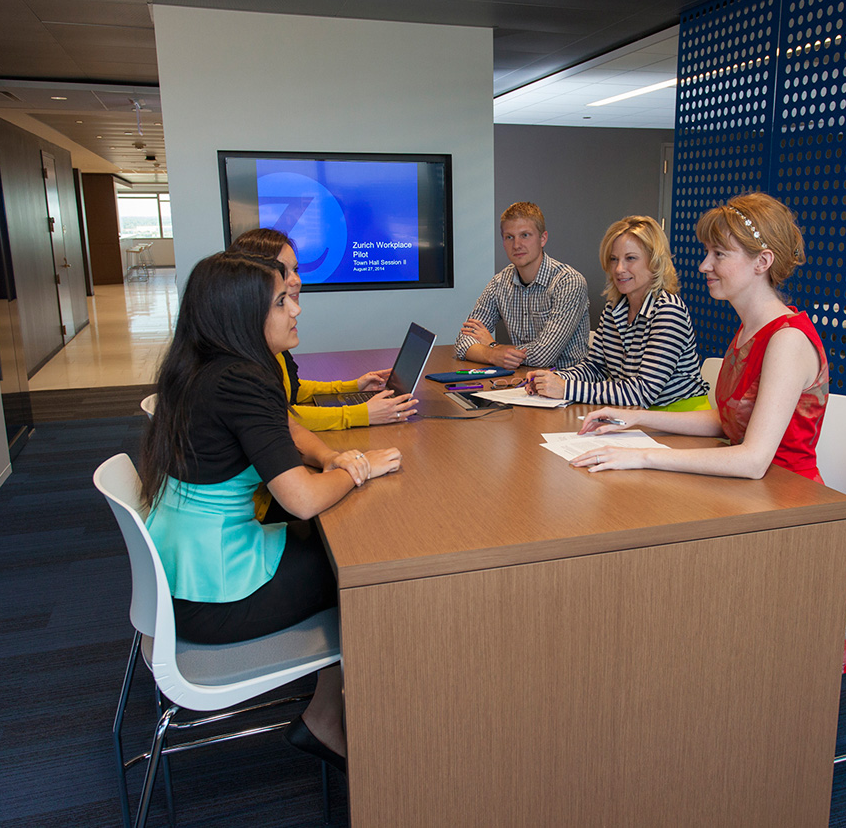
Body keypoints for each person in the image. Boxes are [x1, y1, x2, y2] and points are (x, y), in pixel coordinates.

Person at [573, 193, 846, 672]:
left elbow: (752, 457)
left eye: (720, 255)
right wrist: (637, 418)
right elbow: (728, 420)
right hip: (753, 494)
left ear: (762, 262)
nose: (704, 265)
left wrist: (643, 455)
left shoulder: (786, 340)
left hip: (790, 508)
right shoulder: (747, 332)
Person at [139, 251, 402, 772]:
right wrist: (357, 470)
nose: (296, 311)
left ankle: (327, 714)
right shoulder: (242, 381)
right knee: (362, 575)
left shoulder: (202, 368)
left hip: (179, 574)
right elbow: (300, 497)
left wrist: (331, 456)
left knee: (325, 542)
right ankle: (334, 724)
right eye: (283, 301)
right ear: (243, 314)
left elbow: (283, 429)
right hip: (213, 595)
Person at [231, 228, 418, 431]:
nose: (296, 280)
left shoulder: (267, 337)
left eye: (296, 270)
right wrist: (362, 413)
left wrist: (353, 386)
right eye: (283, 272)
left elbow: (292, 391)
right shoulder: (241, 359)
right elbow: (279, 418)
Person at [525, 215, 708, 409]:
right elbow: (596, 368)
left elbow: (642, 392)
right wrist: (553, 379)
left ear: (654, 262)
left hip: (679, 420)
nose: (619, 269)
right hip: (633, 414)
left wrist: (566, 388)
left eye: (630, 258)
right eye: (614, 259)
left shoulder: (668, 311)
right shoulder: (614, 309)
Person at [454, 201, 590, 370]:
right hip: (521, 383)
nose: (516, 245)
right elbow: (463, 342)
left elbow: (543, 356)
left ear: (543, 238)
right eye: (509, 237)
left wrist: (493, 346)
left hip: (566, 386)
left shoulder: (568, 282)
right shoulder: (499, 283)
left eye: (525, 235)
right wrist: (492, 354)